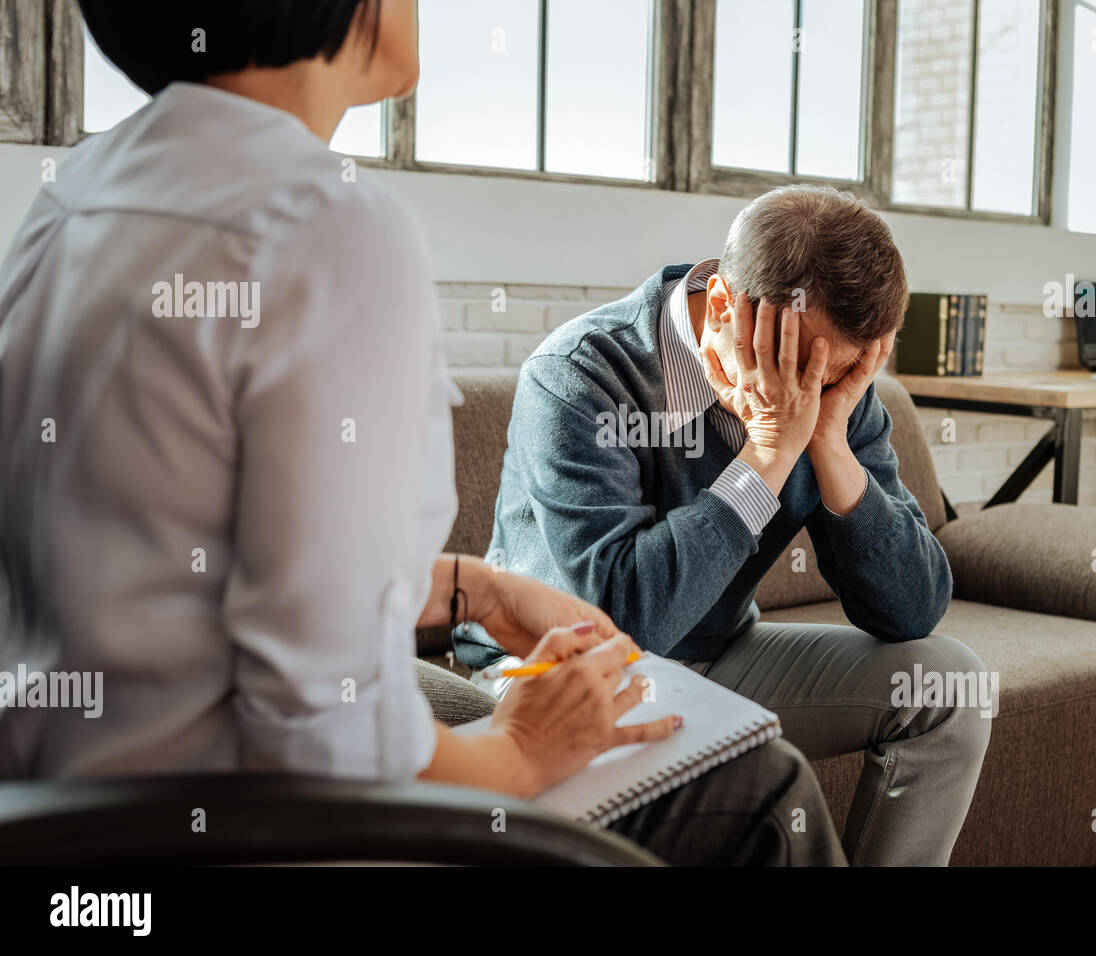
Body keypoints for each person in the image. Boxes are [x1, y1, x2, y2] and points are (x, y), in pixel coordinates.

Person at [0, 0, 843, 866]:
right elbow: (322, 742)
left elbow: (175, 563)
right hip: (233, 825)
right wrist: (519, 751)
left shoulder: (78, 196)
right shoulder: (324, 226)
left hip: (62, 808)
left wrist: (465, 588)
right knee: (762, 791)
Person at [461, 184, 994, 865]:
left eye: (833, 380)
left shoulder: (836, 386)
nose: (808, 393)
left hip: (719, 652)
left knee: (948, 685)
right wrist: (768, 455)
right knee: (756, 771)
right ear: (721, 307)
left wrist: (829, 439)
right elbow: (622, 620)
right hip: (556, 670)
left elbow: (913, 608)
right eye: (793, 368)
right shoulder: (579, 375)